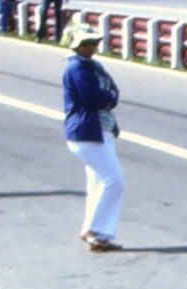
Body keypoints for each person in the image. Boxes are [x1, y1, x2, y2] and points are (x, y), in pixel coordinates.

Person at [61, 20, 121, 251]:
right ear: (76, 45)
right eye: (85, 43)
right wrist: (108, 98)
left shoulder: (92, 66)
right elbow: (96, 98)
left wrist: (109, 97)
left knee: (98, 182)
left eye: (93, 42)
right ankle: (93, 230)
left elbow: (113, 91)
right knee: (114, 181)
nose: (90, 47)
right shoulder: (77, 68)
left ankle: (98, 232)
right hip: (87, 130)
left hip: (98, 129)